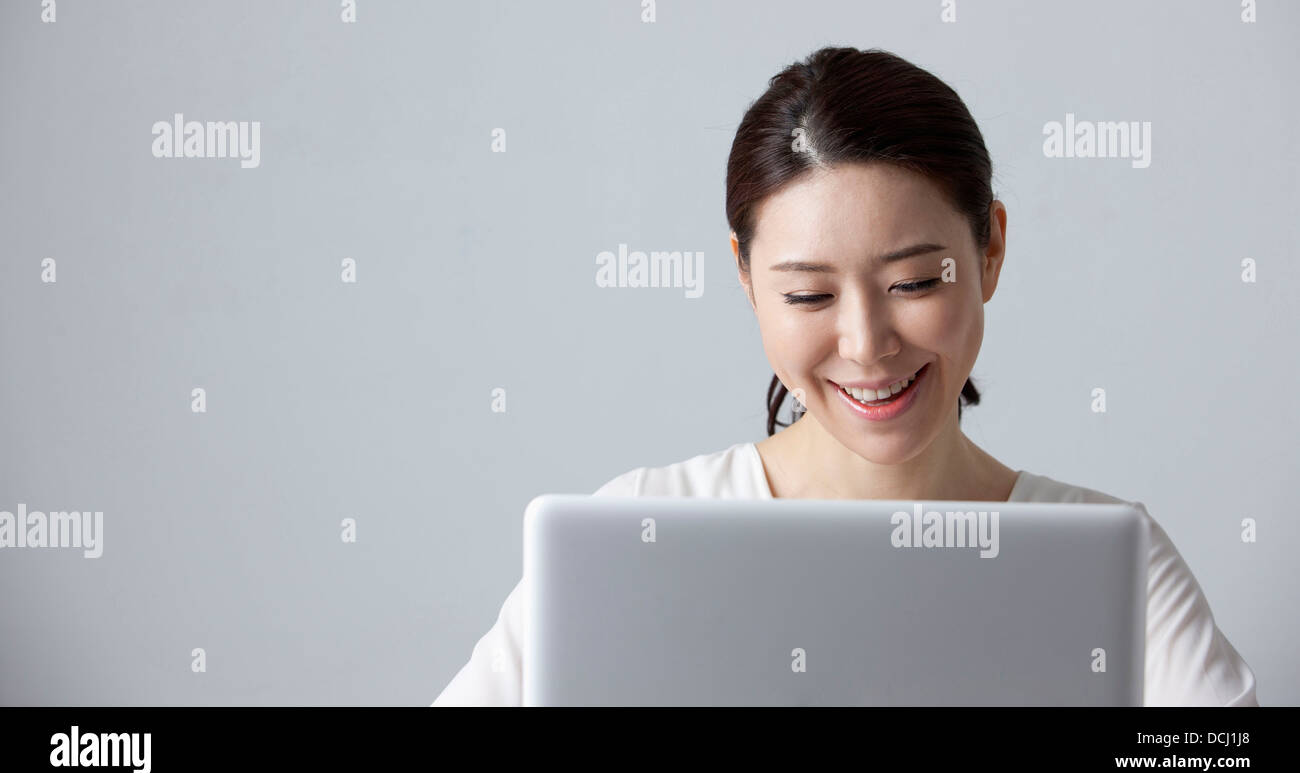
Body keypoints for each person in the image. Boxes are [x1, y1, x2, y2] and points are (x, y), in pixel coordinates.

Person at [432, 46, 1259, 707]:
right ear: (747, 279)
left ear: (990, 250)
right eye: (809, 294)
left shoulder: (1114, 567)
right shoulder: (639, 535)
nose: (866, 346)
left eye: (912, 283)